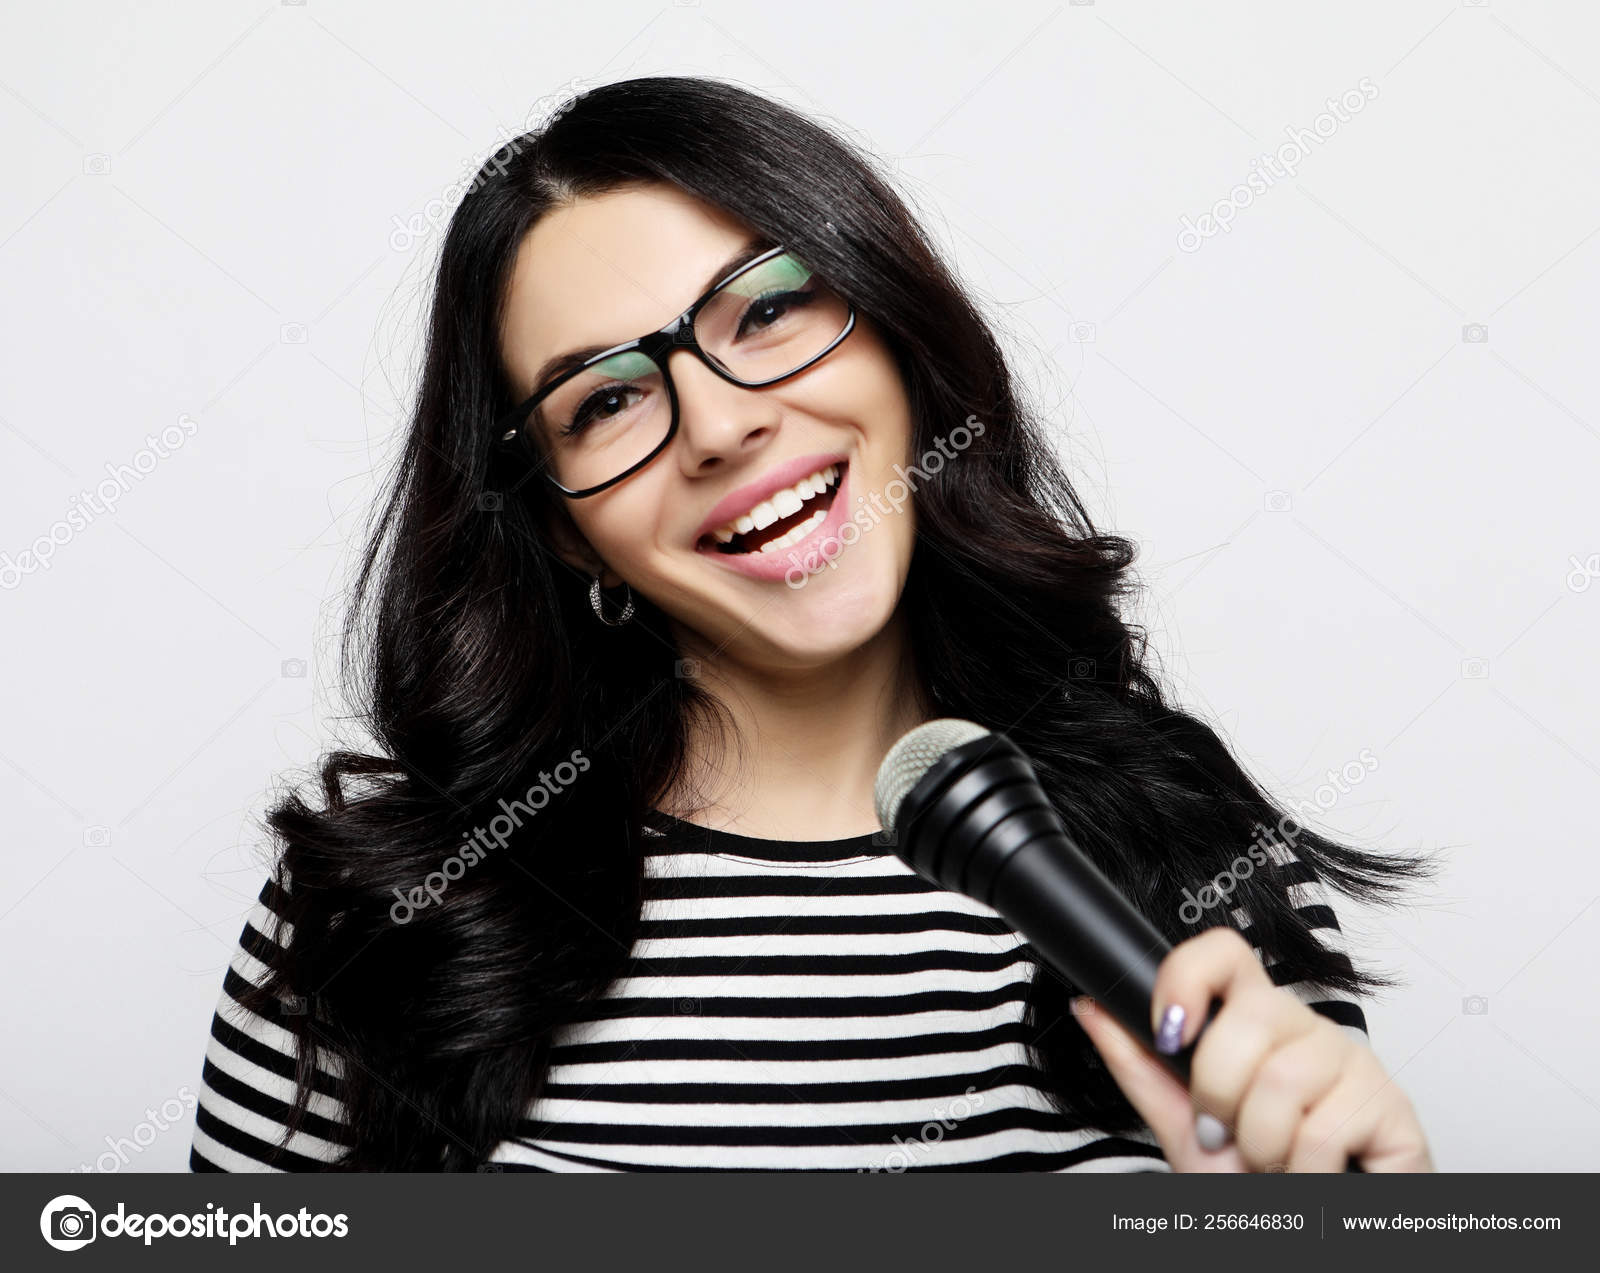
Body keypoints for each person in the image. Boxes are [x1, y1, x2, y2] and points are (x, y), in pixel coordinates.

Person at [189, 76, 1432, 1173]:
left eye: (767, 312)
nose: (720, 425)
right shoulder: (385, 918)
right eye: (608, 399)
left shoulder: (1200, 872)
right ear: (563, 529)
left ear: (901, 344)